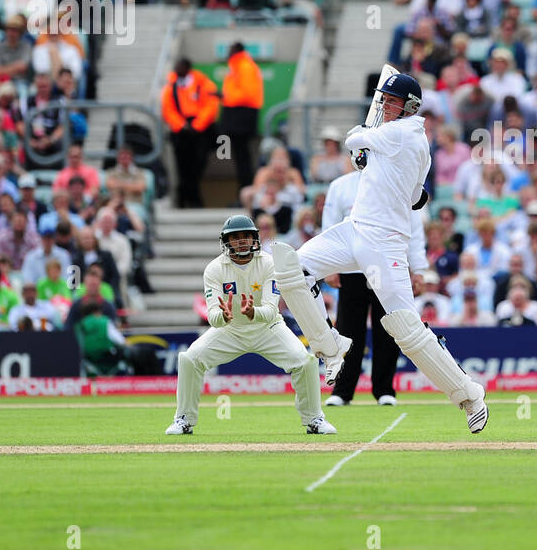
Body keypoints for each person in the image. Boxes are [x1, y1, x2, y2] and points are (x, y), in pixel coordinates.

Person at [272, 71, 489, 433]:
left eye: (391, 101)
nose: (385, 105)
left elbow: (353, 138)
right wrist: (368, 158)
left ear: (411, 107)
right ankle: (330, 345)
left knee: (407, 328)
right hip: (354, 229)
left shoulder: (407, 132)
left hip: (384, 241)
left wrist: (362, 143)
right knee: (291, 269)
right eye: (383, 100)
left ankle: (469, 395)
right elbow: (417, 195)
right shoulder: (397, 141)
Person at [166, 215, 336, 435]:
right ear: (226, 241)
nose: (242, 241)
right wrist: (223, 317)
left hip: (268, 328)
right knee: (189, 360)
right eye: (235, 237)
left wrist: (252, 311)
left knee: (305, 362)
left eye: (246, 236)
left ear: (254, 238)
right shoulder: (214, 269)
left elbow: (270, 310)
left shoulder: (269, 263)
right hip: (230, 329)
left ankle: (314, 419)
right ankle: (183, 419)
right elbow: (212, 316)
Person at [320, 159, 423, 408]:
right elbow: (330, 224)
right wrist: (330, 265)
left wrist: (418, 268)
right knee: (347, 330)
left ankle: (384, 389)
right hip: (351, 267)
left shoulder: (395, 184)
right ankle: (342, 391)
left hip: (386, 264)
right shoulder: (340, 186)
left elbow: (414, 226)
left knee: (388, 328)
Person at [161, 58, 219, 208]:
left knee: (198, 163)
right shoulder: (170, 87)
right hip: (181, 132)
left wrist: (196, 125)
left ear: (188, 68)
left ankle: (193, 196)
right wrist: (181, 125)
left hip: (201, 131)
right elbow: (168, 109)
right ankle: (186, 198)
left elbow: (210, 106)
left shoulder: (203, 83)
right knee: (183, 166)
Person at [219, 42, 264, 192]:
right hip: (238, 114)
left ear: (237, 50)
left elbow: (248, 93)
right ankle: (244, 188)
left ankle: (246, 188)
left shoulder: (245, 66)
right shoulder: (238, 66)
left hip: (242, 114)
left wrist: (226, 97)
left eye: (231, 49)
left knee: (243, 155)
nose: (228, 52)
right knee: (240, 155)